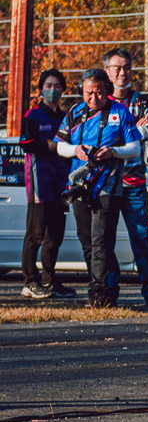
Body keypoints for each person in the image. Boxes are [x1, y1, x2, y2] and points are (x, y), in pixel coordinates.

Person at [57, 69, 142, 307]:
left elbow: (135, 148)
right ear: (81, 91)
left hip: (108, 187)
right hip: (80, 186)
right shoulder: (74, 112)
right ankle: (109, 287)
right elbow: (59, 146)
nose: (94, 98)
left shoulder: (120, 112)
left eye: (99, 93)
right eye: (88, 93)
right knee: (87, 242)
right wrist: (75, 150)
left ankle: (99, 295)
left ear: (107, 90)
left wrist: (113, 152)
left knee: (101, 241)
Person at [101, 47, 148, 307]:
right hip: (106, 182)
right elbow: (101, 136)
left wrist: (122, 134)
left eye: (126, 67)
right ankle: (108, 292)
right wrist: (130, 131)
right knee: (104, 239)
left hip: (134, 183)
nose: (122, 72)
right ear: (107, 71)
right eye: (117, 67)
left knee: (141, 237)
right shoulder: (100, 101)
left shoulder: (140, 101)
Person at [18, 69, 76, 299]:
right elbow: (26, 143)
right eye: (48, 85)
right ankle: (29, 280)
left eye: (57, 86)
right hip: (40, 181)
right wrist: (49, 146)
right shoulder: (32, 115)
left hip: (60, 181)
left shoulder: (66, 116)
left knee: (55, 234)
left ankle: (49, 279)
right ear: (41, 89)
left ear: (63, 89)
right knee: (35, 233)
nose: (53, 90)